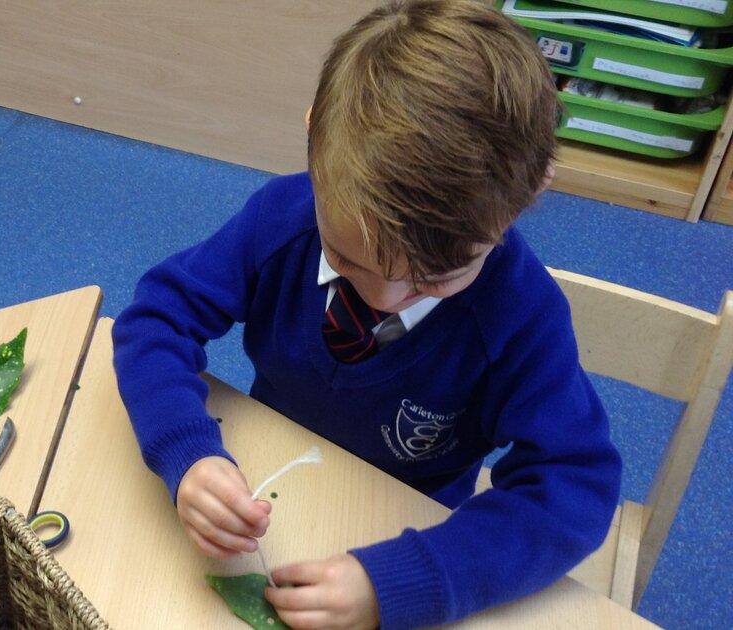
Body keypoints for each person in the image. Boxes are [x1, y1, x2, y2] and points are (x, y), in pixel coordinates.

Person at [112, 1, 621, 627]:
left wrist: (405, 583)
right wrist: (187, 452)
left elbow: (575, 488)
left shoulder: (522, 317)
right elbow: (157, 319)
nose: (383, 299)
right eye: (348, 259)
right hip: (271, 487)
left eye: (436, 277)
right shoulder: (281, 219)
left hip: (408, 527)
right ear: (313, 144)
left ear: (532, 189)